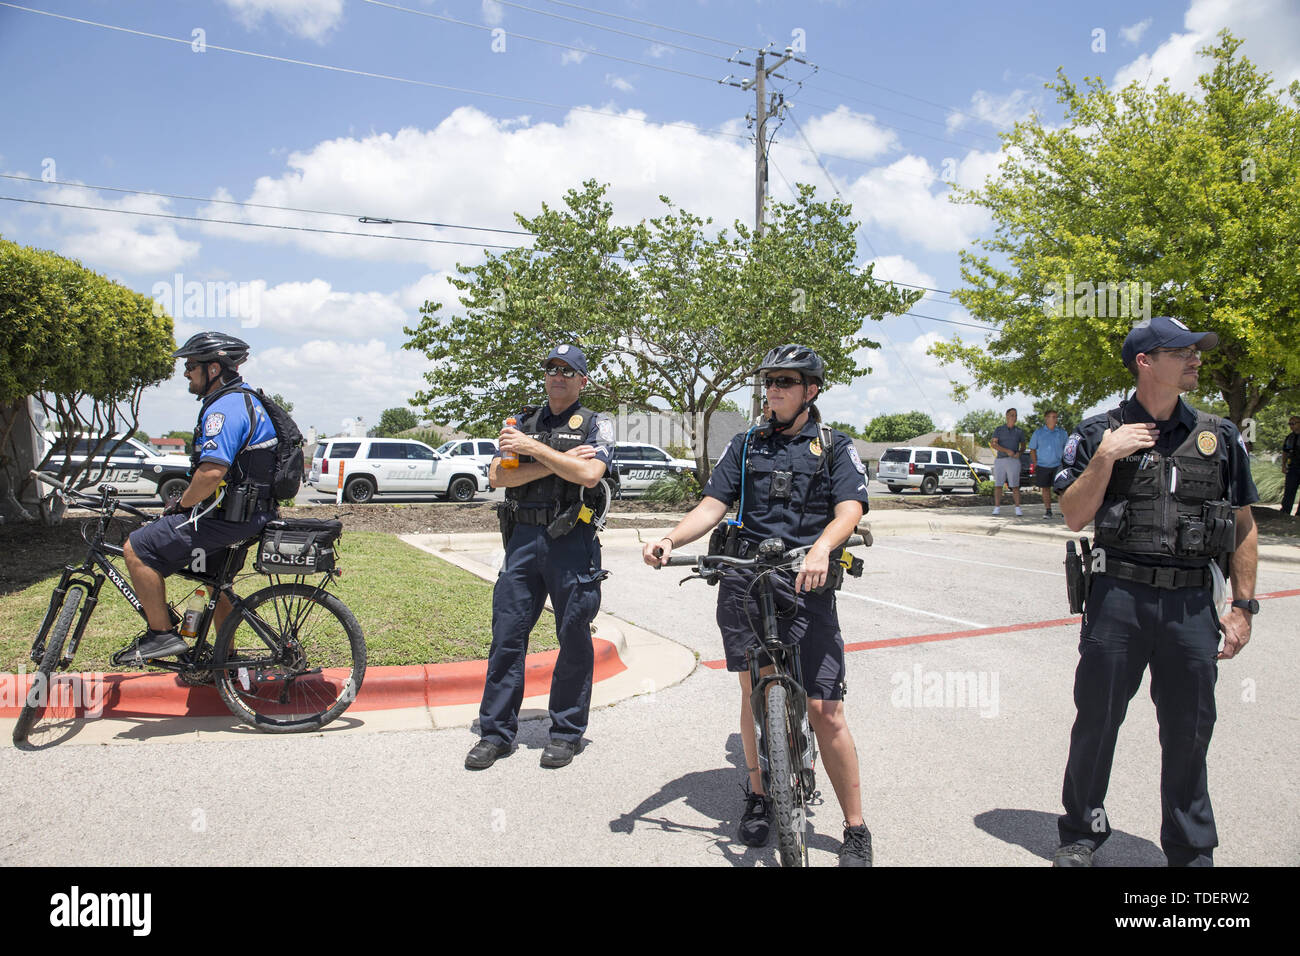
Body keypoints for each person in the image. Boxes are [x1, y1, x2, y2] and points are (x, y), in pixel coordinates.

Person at [643, 345, 874, 866]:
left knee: (825, 709)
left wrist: (822, 548)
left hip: (806, 579)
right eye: (770, 381)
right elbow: (712, 504)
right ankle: (759, 794)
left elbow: (850, 509)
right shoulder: (745, 445)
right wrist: (671, 540)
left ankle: (855, 825)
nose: (774, 389)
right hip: (745, 579)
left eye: (786, 381)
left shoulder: (835, 446)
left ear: (811, 390)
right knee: (754, 690)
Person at [1052, 316, 1259, 868]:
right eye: (1183, 352)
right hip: (1118, 596)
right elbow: (1074, 515)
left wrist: (1242, 607)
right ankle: (1080, 832)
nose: (1196, 359)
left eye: (1197, 352)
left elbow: (1242, 526)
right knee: (1097, 720)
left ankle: (1191, 848)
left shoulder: (1220, 436)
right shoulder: (1099, 432)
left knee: (1191, 731)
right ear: (1146, 362)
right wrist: (1105, 458)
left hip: (1192, 603)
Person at [465, 344, 613, 771]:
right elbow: (498, 476)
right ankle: (496, 734)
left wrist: (537, 452)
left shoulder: (596, 424)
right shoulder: (520, 423)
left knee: (573, 637)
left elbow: (589, 473)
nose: (558, 376)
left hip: (572, 539)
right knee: (507, 635)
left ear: (583, 381)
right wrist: (557, 460)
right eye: (551, 369)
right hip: (523, 539)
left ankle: (566, 733)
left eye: (568, 371)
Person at [121, 332, 279, 660]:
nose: (186, 373)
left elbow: (210, 474)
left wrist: (181, 505)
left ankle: (161, 635)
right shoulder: (245, 399)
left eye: (191, 365)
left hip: (230, 515)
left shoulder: (225, 408)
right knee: (213, 582)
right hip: (248, 512)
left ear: (214, 369)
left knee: (137, 547)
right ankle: (227, 659)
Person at [1028, 410, 1068, 518]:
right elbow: (1032, 449)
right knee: (1045, 489)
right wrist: (1035, 462)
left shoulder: (1062, 433)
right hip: (1043, 465)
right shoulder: (1038, 433)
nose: (1055, 419)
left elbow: (1067, 449)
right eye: (1052, 417)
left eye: (1056, 417)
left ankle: (1064, 511)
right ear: (1046, 418)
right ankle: (1048, 511)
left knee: (1061, 489)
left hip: (1058, 465)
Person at [991, 408, 1026, 516]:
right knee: (998, 485)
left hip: (1013, 461)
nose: (1013, 417)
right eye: (1011, 415)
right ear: (1006, 416)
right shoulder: (999, 429)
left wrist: (1019, 453)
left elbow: (1023, 446)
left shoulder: (1019, 431)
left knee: (1015, 486)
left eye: (1015, 415)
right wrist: (1007, 451)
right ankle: (997, 507)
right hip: (1000, 460)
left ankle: (1017, 508)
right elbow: (993, 444)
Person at [1280, 415, 1300, 518]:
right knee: (1289, 491)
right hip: (1293, 468)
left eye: (1293, 423)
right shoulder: (1290, 437)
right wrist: (1283, 465)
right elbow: (1285, 452)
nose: (1291, 426)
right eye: (1290, 424)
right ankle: (1285, 512)